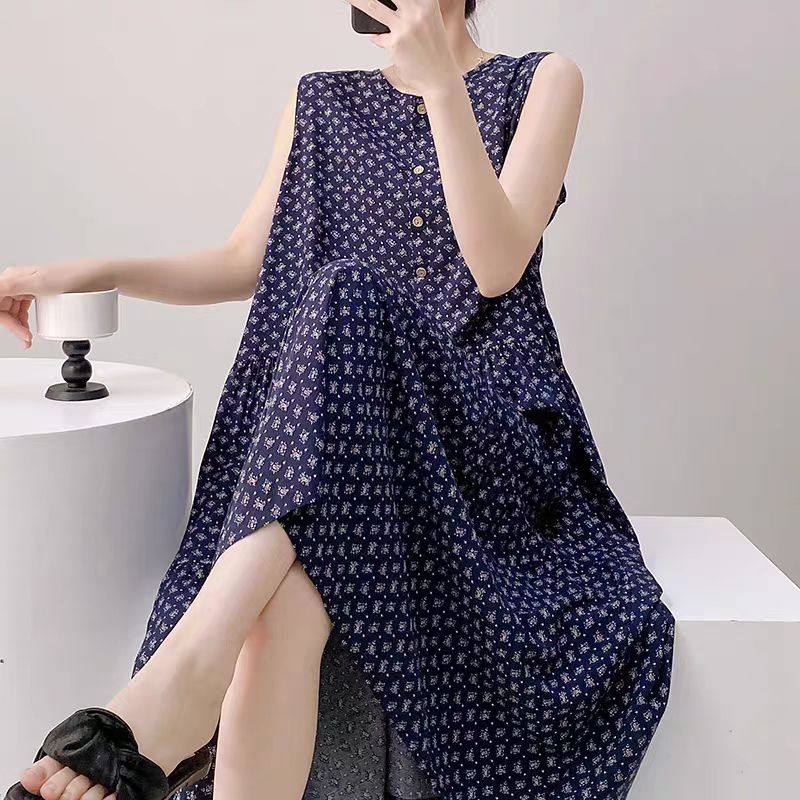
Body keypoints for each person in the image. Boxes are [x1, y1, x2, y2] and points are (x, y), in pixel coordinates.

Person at [1, 1, 676, 799]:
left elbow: (494, 266)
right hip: (349, 450)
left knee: (346, 292)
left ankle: (184, 678)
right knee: (285, 600)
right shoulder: (320, 99)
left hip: (483, 441)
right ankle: (190, 682)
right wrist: (94, 272)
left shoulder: (543, 81)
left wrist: (441, 89)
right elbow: (243, 260)